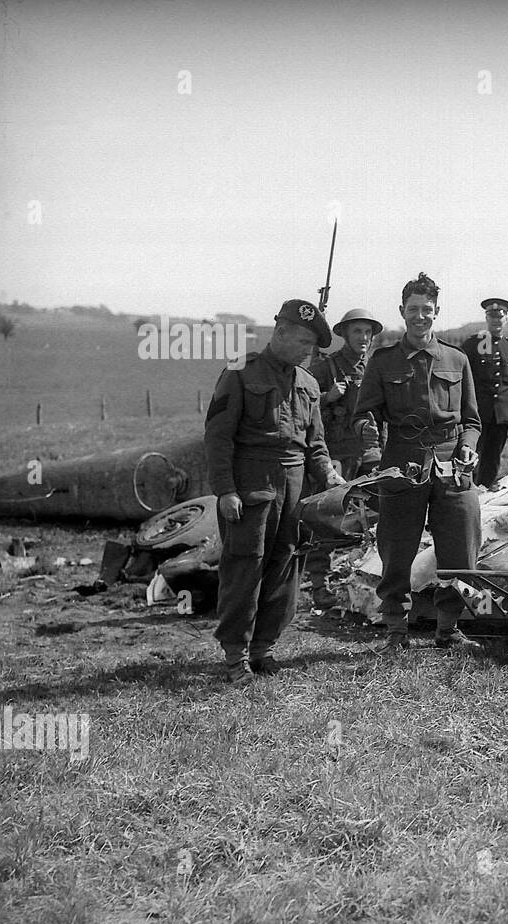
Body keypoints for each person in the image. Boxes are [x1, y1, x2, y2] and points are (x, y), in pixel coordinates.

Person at [204, 299, 346, 684]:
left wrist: (329, 476)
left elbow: (315, 445)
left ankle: (263, 649)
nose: (307, 352)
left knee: (285, 568)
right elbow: (218, 439)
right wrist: (225, 490)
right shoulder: (239, 372)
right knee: (244, 568)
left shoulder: (310, 384)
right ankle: (235, 656)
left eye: (312, 347)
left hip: (295, 489)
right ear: (279, 332)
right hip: (252, 487)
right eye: (302, 342)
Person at [352, 272, 483, 651]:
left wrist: (469, 445)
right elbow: (363, 414)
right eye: (413, 310)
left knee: (461, 547)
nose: (420, 317)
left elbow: (471, 420)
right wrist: (370, 442)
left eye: (427, 310)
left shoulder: (457, 360)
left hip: (451, 464)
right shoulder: (382, 361)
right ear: (402, 312)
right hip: (401, 463)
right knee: (396, 549)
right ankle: (396, 631)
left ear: (437, 312)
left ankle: (448, 629)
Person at [303, 307, 384, 608]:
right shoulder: (327, 368)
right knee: (327, 518)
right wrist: (328, 397)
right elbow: (303, 405)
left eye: (367, 332)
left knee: (380, 513)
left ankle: (371, 576)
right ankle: (319, 585)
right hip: (337, 453)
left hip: (370, 453)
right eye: (357, 332)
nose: (363, 338)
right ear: (344, 335)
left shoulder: (375, 366)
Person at [458, 297, 508, 488]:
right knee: (471, 458)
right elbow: (462, 382)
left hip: (502, 417)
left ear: (506, 319)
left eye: (500, 317)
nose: (496, 320)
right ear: (486, 319)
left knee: (493, 460)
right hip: (477, 415)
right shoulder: (472, 345)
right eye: (492, 316)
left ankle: (486, 493)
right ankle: (469, 496)